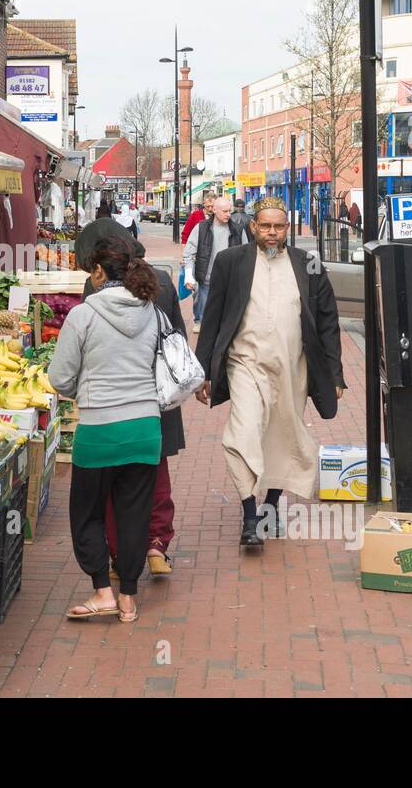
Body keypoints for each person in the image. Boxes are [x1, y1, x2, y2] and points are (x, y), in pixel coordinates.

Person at [194, 196, 346, 548]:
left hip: (294, 366)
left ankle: (271, 506)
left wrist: (335, 374)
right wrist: (202, 371)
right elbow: (213, 318)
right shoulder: (231, 262)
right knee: (243, 432)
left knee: (283, 435)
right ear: (253, 227)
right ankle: (250, 515)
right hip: (245, 364)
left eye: (279, 227)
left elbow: (328, 323)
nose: (272, 233)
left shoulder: (308, 264)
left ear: (287, 229)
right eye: (266, 226)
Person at [49, 238, 162, 623]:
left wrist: (82, 383)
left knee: (87, 513)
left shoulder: (83, 315)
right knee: (135, 513)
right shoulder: (152, 311)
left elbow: (61, 378)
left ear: (98, 272)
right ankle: (128, 597)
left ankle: (102, 591)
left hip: (99, 428)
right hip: (146, 428)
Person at [81, 241, 185, 577]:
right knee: (156, 480)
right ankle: (156, 545)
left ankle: (119, 558)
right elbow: (178, 340)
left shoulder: (93, 298)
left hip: (108, 409)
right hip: (155, 405)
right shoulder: (162, 288)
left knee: (113, 488)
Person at [182, 196, 236, 334]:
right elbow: (189, 253)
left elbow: (247, 254)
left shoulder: (237, 229)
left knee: (226, 316)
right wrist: (188, 276)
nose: (228, 214)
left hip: (229, 279)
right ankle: (200, 323)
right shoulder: (201, 228)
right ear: (215, 210)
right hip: (206, 277)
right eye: (225, 211)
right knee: (205, 312)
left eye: (230, 211)